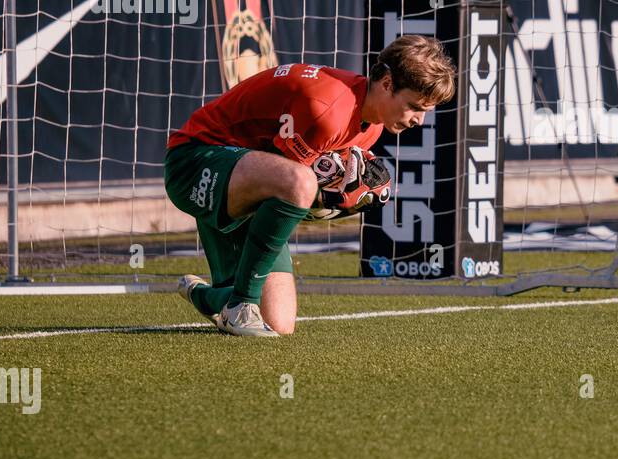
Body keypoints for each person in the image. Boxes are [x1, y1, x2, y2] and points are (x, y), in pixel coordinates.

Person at [163, 34, 456, 336]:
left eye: (426, 111)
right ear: (386, 83)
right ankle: (240, 304)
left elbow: (283, 190)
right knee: (300, 182)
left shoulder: (373, 127)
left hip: (242, 181)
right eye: (414, 107)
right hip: (195, 162)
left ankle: (206, 296)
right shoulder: (328, 109)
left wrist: (334, 197)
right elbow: (290, 185)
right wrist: (326, 201)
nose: (419, 121)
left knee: (279, 323)